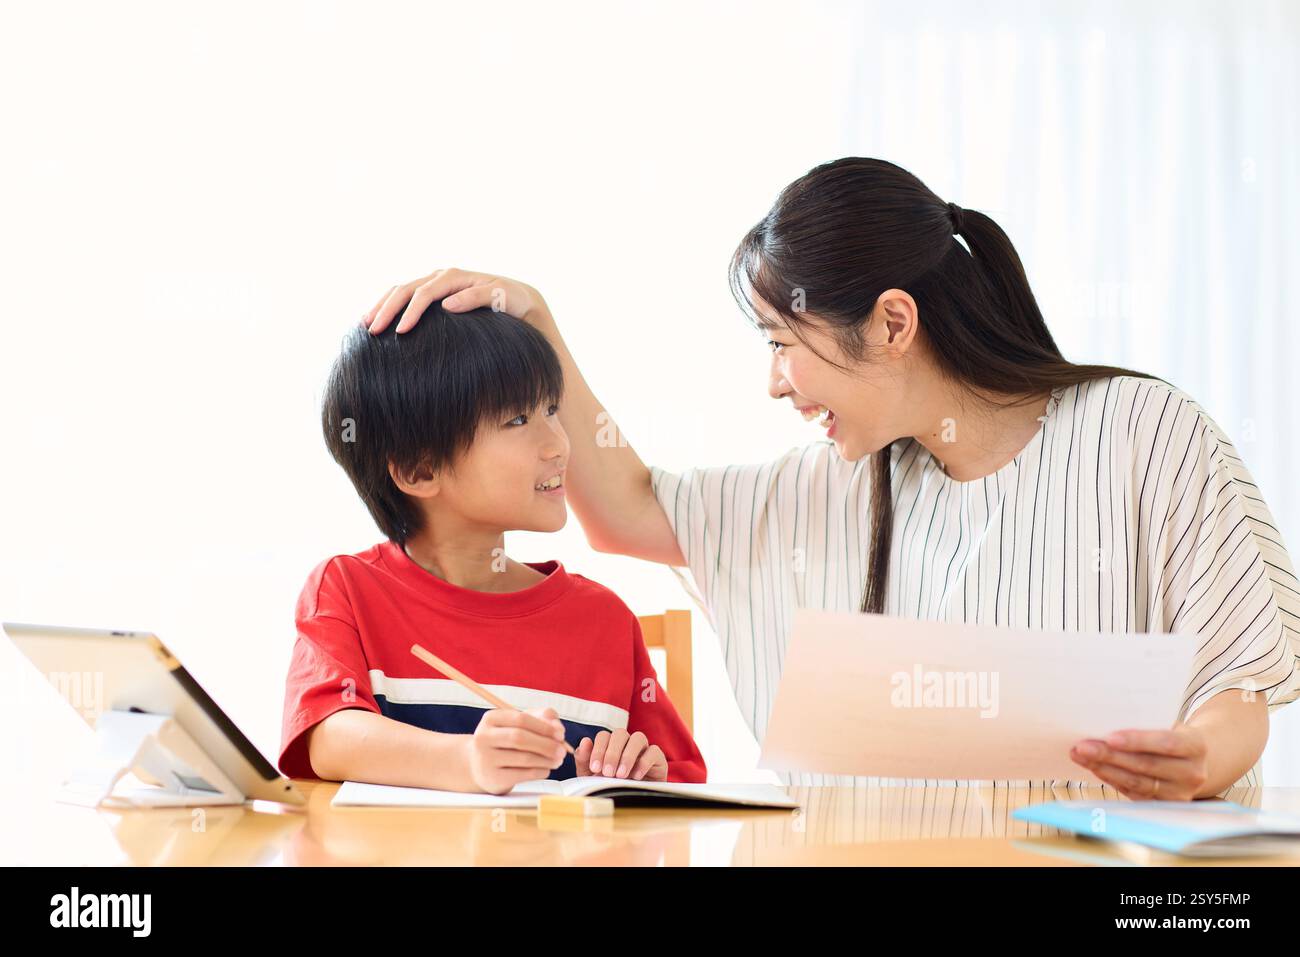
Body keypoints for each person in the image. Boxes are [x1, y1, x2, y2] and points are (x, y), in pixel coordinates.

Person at [365, 157, 1299, 800]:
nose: (774, 381)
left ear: (894, 324)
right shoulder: (831, 487)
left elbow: (1241, 688)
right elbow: (627, 511)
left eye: (784, 343)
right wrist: (538, 321)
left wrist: (1196, 758)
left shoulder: (1146, 433)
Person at [279, 301, 706, 794]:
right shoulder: (348, 590)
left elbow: (681, 789)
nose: (559, 444)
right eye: (518, 421)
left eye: (551, 409)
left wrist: (634, 780)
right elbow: (327, 736)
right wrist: (468, 762)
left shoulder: (605, 621)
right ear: (419, 470)